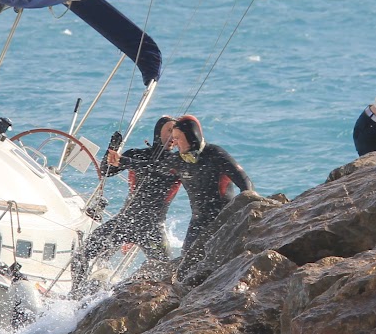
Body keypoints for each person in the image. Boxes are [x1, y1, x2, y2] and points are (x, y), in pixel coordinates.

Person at [70, 115, 179, 297]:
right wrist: (112, 148)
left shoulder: (176, 163)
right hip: (125, 222)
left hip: (152, 229)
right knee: (81, 255)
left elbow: (153, 167)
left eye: (176, 134)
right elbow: (106, 170)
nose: (172, 138)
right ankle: (76, 295)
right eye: (169, 131)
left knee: (169, 274)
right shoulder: (137, 154)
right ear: (157, 132)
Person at [167, 115, 252, 262]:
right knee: (186, 261)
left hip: (223, 218)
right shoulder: (178, 160)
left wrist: (245, 215)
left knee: (220, 260)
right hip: (198, 221)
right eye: (173, 138)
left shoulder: (215, 154)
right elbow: (151, 166)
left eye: (178, 138)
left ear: (191, 136)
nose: (174, 143)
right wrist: (122, 161)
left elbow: (245, 183)